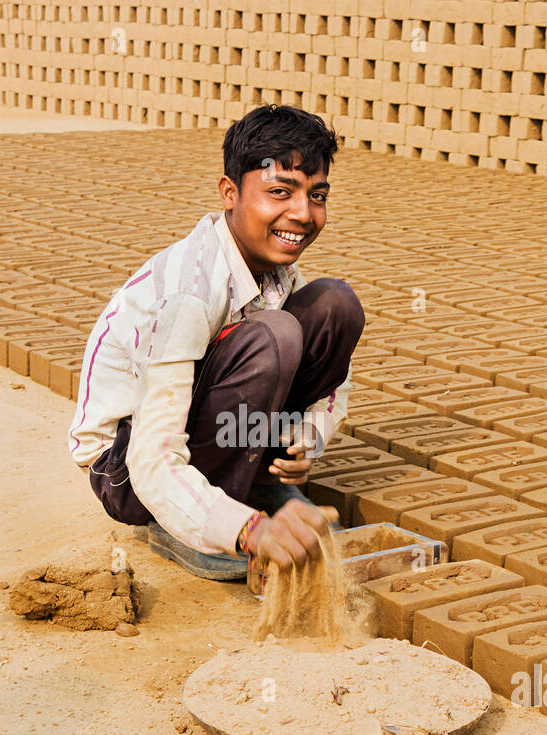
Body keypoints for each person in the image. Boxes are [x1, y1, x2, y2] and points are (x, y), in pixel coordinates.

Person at [68, 104, 365, 580]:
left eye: (318, 195)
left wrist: (307, 441)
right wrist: (245, 530)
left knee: (335, 304)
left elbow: (335, 386)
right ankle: (195, 521)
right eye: (279, 192)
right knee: (275, 334)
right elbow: (152, 456)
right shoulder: (188, 289)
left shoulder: (279, 273)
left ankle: (254, 482)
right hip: (128, 470)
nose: (303, 214)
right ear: (230, 193)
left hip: (202, 433)